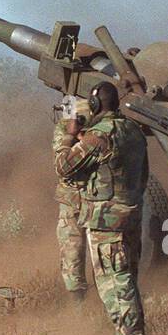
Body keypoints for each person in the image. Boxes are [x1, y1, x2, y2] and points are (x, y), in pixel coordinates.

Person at [54, 81, 150, 335]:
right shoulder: (134, 131)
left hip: (106, 221)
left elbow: (63, 168)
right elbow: (144, 175)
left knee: (114, 280)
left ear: (95, 105)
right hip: (131, 214)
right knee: (127, 277)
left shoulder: (98, 136)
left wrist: (68, 134)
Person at [53, 100, 90, 304]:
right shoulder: (64, 128)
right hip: (71, 200)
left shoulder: (101, 131)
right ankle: (79, 307)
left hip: (97, 199)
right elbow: (62, 165)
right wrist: (73, 135)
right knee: (72, 252)